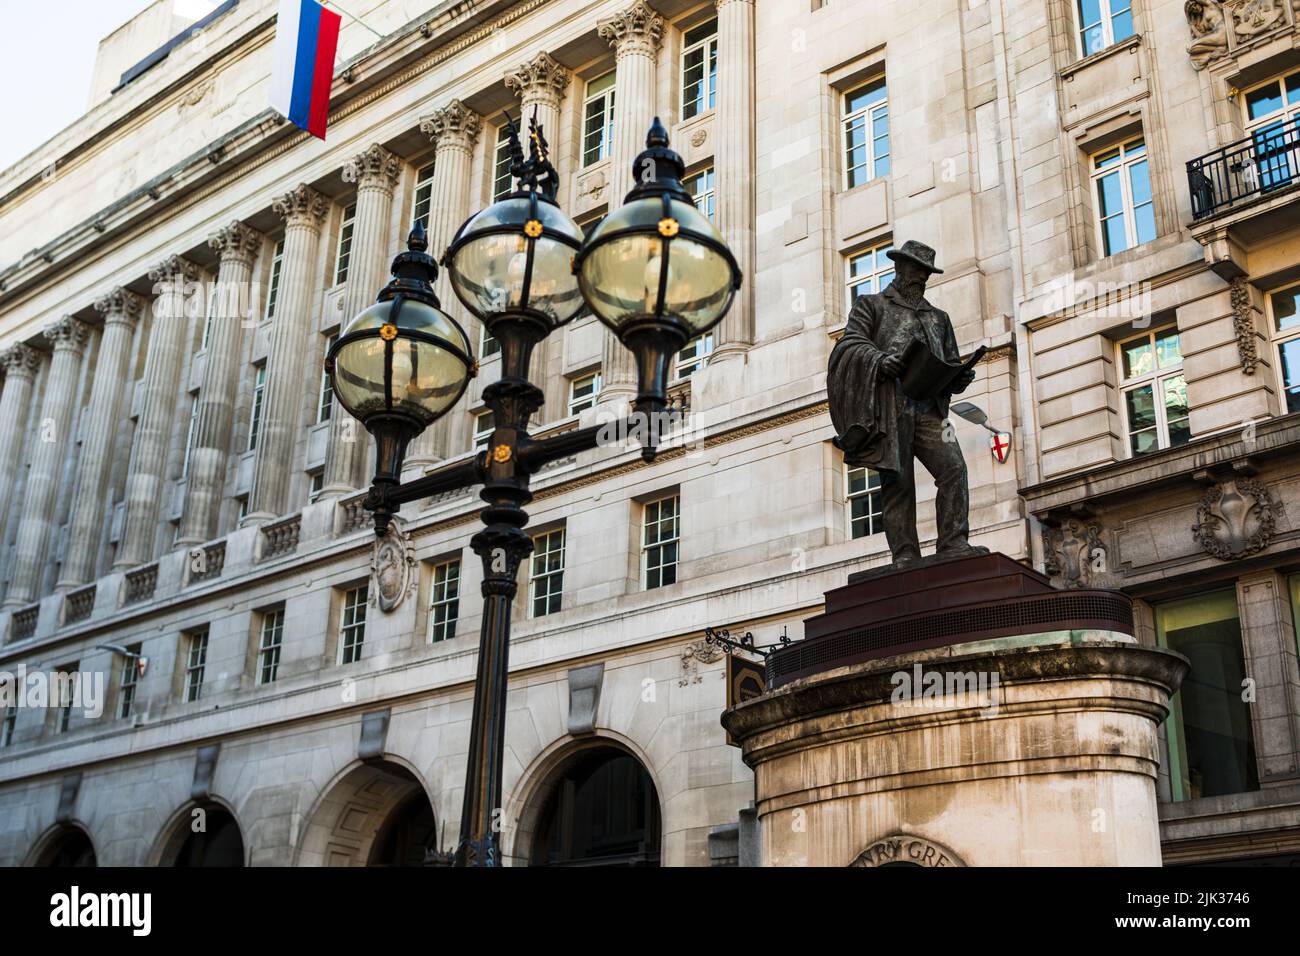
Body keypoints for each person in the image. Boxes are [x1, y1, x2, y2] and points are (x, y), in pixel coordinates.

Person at [828, 240, 987, 567]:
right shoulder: (871, 305)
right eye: (916, 270)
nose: (921, 278)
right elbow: (849, 346)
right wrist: (879, 360)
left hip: (929, 410)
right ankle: (904, 553)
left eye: (926, 272)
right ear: (899, 267)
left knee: (954, 468)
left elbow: (950, 360)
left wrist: (958, 377)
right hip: (890, 407)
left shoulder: (939, 318)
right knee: (897, 481)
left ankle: (953, 542)